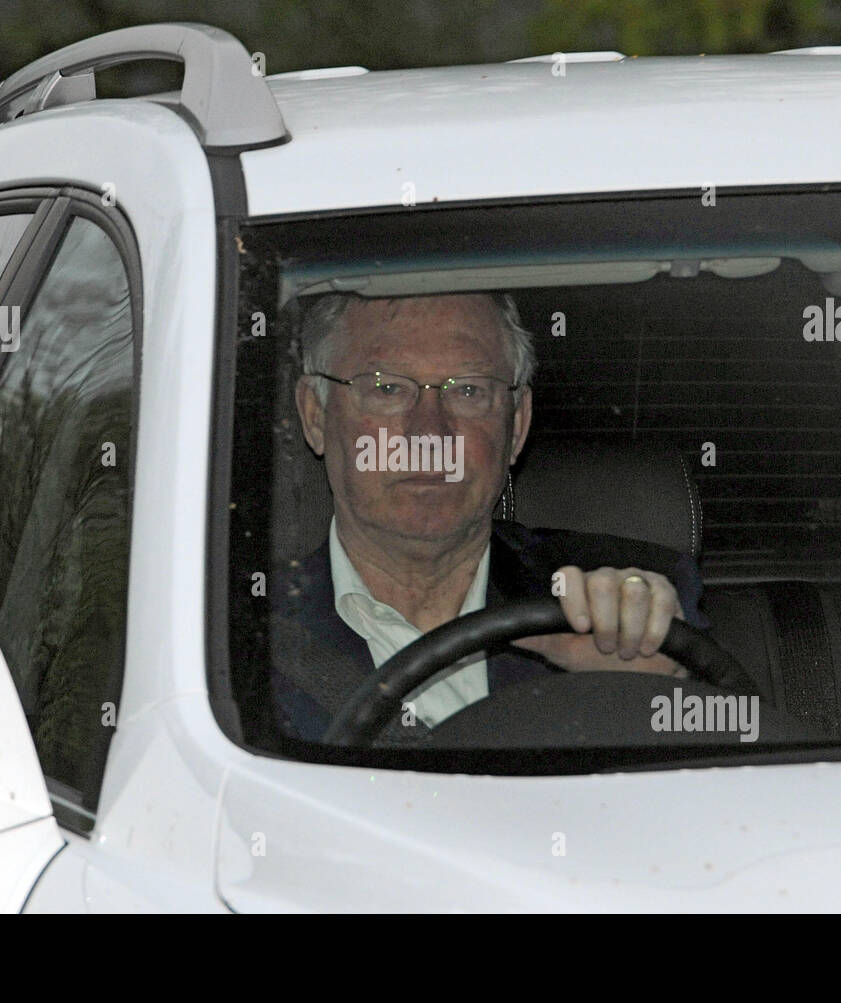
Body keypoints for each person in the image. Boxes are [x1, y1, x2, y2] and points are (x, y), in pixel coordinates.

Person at [271, 292, 707, 742]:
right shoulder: (232, 635)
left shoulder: (622, 604)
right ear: (315, 415)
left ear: (516, 425)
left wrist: (645, 700)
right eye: (387, 388)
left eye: (468, 390)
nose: (429, 433)